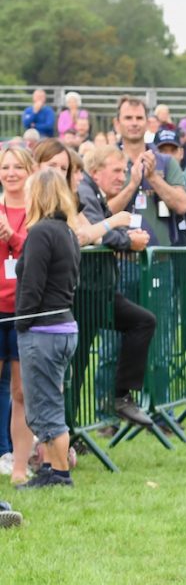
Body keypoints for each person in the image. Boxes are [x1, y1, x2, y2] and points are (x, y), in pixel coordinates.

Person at [76, 146, 156, 428]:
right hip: (84, 293)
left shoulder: (93, 192)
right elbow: (95, 234)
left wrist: (126, 235)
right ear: (96, 172)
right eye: (116, 170)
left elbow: (103, 228)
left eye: (124, 170)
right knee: (75, 366)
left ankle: (121, 396)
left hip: (100, 290)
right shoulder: (84, 191)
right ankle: (67, 434)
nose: (122, 176)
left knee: (143, 321)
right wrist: (127, 241)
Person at [13, 169, 81, 490]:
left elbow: (32, 286)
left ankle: (59, 474)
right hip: (62, 327)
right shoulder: (66, 231)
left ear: (37, 195)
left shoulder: (41, 232)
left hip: (43, 331)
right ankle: (52, 469)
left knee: (47, 407)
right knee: (50, 401)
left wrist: (21, 323)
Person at [106, 97, 186, 247]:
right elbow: (102, 214)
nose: (134, 123)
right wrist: (132, 186)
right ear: (117, 124)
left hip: (161, 255)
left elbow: (182, 205)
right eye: (128, 118)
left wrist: (153, 178)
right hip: (118, 255)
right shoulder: (106, 161)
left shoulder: (166, 162)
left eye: (139, 118)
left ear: (147, 123)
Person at [0, 147, 33, 484]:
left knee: (21, 391)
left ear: (29, 171)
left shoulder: (36, 210)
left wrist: (13, 235)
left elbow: (38, 252)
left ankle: (19, 463)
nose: (11, 173)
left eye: (18, 167)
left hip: (25, 310)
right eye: (5, 167)